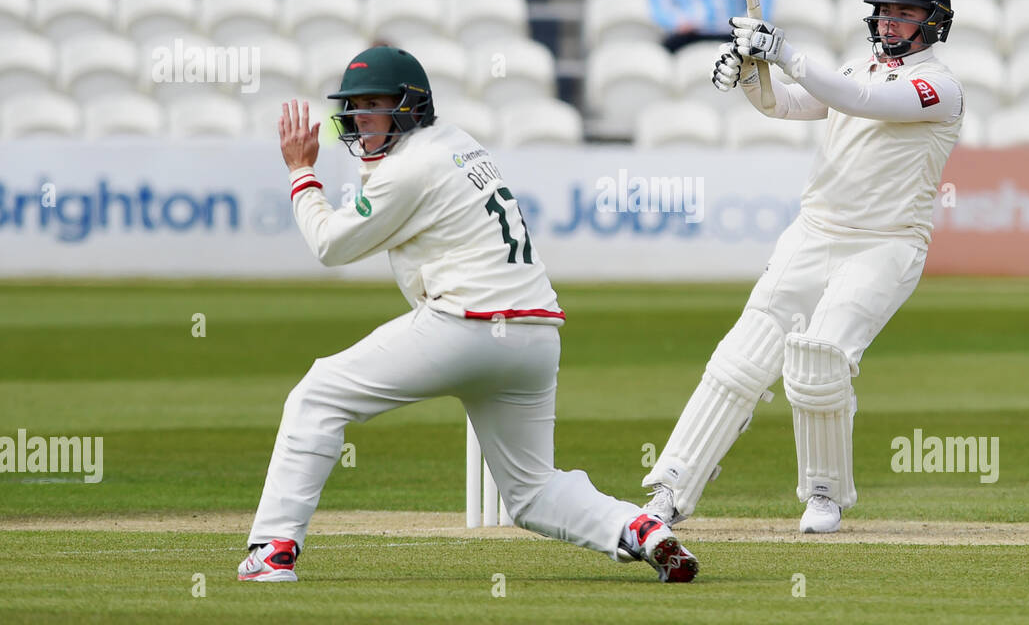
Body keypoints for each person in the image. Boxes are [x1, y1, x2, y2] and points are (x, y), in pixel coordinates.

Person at [238, 45, 698, 583]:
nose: (359, 118)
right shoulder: (458, 142)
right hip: (535, 335)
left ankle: (273, 551)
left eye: (372, 105)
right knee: (531, 494)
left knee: (317, 394)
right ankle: (640, 529)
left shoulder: (406, 168)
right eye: (354, 106)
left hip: (467, 326)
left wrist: (300, 172)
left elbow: (330, 246)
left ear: (409, 106)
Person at [642, 0, 964, 534]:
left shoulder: (939, 87)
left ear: (933, 23)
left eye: (906, 14)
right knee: (740, 360)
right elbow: (787, 105)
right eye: (886, 12)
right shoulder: (853, 66)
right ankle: (670, 489)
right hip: (813, 232)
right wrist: (751, 75)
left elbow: (863, 101)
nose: (891, 23)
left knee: (819, 360)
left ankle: (824, 495)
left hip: (884, 245)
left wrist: (784, 51)